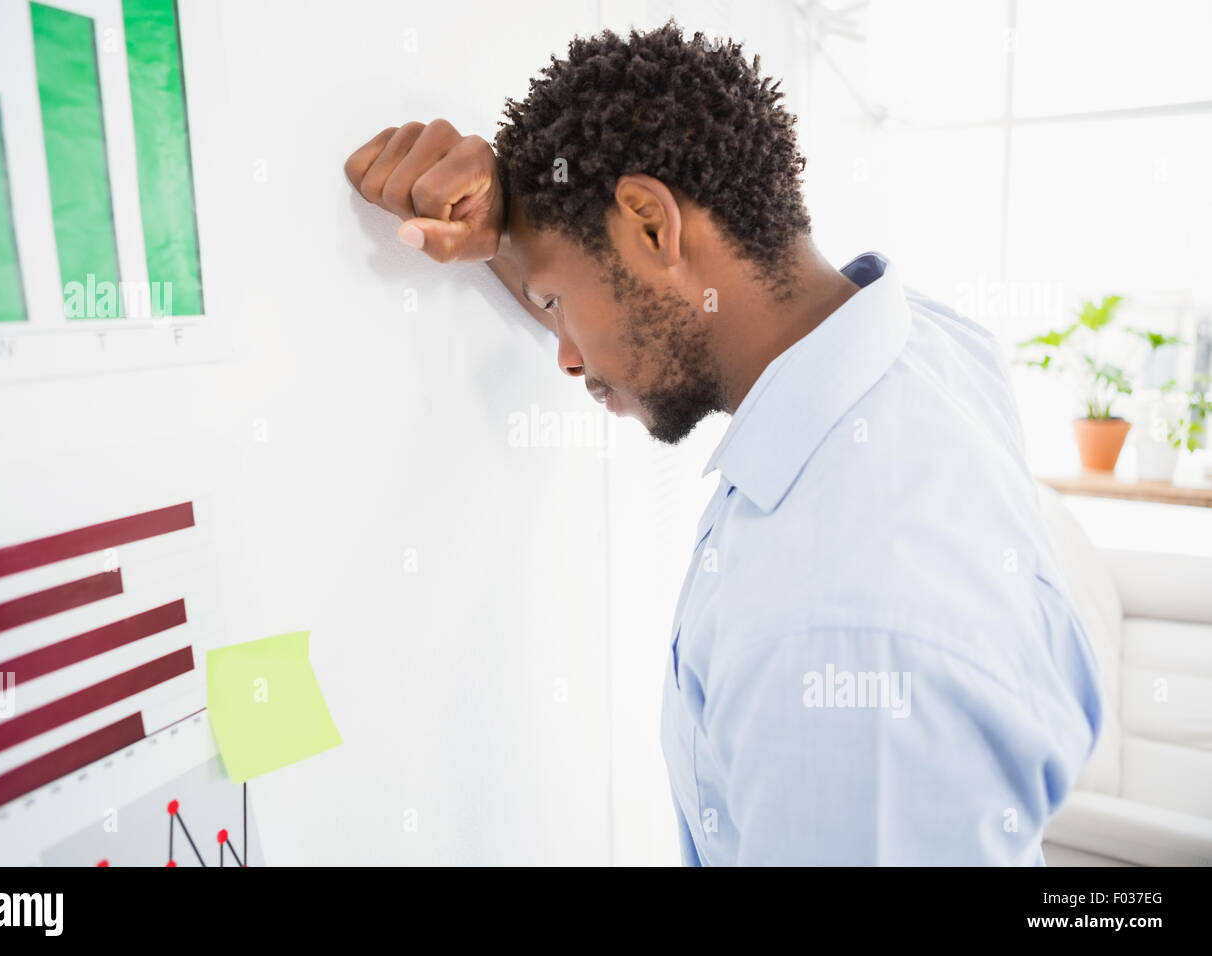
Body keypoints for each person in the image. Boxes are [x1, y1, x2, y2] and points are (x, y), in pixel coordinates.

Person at [345, 19, 1103, 865]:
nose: (563, 356)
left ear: (651, 224)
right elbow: (626, 320)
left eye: (555, 304)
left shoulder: (834, 633)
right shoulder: (921, 345)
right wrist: (518, 236)